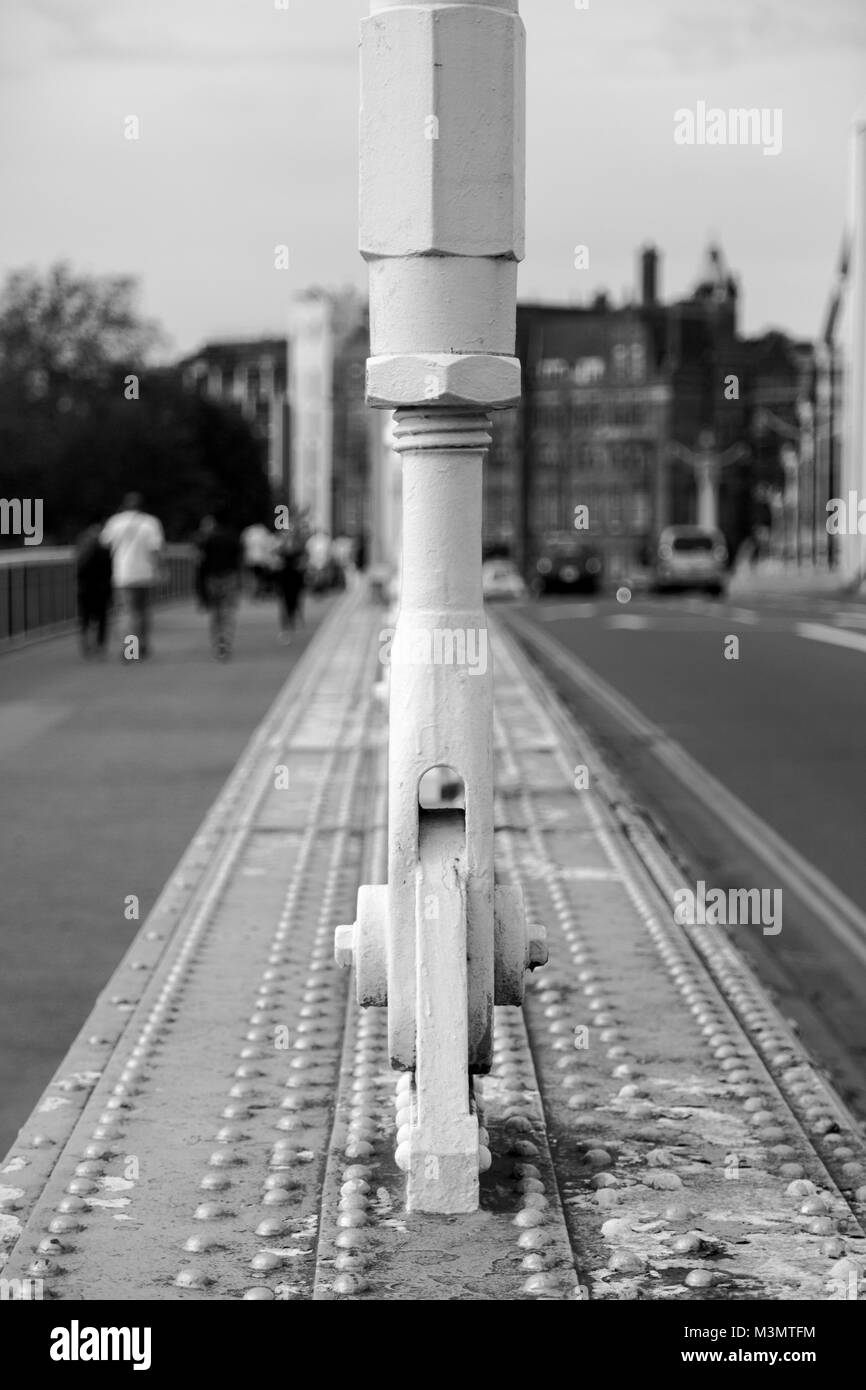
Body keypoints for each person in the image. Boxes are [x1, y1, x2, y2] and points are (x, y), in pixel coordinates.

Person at [101, 493, 165, 659]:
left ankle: (130, 650)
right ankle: (142, 645)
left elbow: (104, 543)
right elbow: (155, 550)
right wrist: (161, 569)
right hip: (145, 574)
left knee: (127, 612)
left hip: (123, 574)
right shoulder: (150, 522)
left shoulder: (115, 522)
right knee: (143, 611)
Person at [196, 509, 243, 660]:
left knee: (215, 613)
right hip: (230, 577)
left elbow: (201, 566)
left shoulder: (205, 542)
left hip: (212, 579)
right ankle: (227, 642)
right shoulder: (232, 538)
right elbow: (239, 560)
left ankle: (218, 643)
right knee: (228, 612)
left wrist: (201, 593)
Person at [75, 518, 113, 657]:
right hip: (102, 590)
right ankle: (100, 644)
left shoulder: (82, 554)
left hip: (85, 590)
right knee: (102, 618)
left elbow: (79, 572)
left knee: (85, 617)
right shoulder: (106, 552)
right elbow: (111, 571)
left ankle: (86, 642)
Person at [272, 524, 307, 644]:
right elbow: (275, 560)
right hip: (284, 578)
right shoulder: (281, 547)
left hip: (295, 578)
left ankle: (292, 624)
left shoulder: (299, 546)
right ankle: (285, 628)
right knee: (284, 603)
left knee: (294, 601)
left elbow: (303, 561)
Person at [241, 521, 275, 598]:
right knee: (260, 577)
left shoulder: (248, 531)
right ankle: (258, 592)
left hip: (252, 558)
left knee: (255, 577)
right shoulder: (263, 531)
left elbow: (244, 544)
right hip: (260, 559)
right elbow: (269, 545)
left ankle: (256, 592)